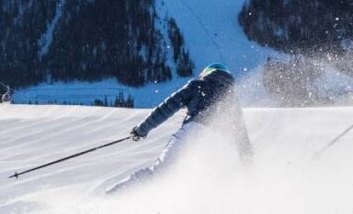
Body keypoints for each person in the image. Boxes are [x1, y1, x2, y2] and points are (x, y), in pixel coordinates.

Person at [106, 62, 253, 194]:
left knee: (159, 174)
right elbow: (242, 138)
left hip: (194, 133)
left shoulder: (198, 85)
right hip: (215, 145)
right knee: (195, 187)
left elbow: (166, 108)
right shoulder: (231, 99)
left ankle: (112, 197)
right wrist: (250, 170)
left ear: (206, 74)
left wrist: (141, 130)